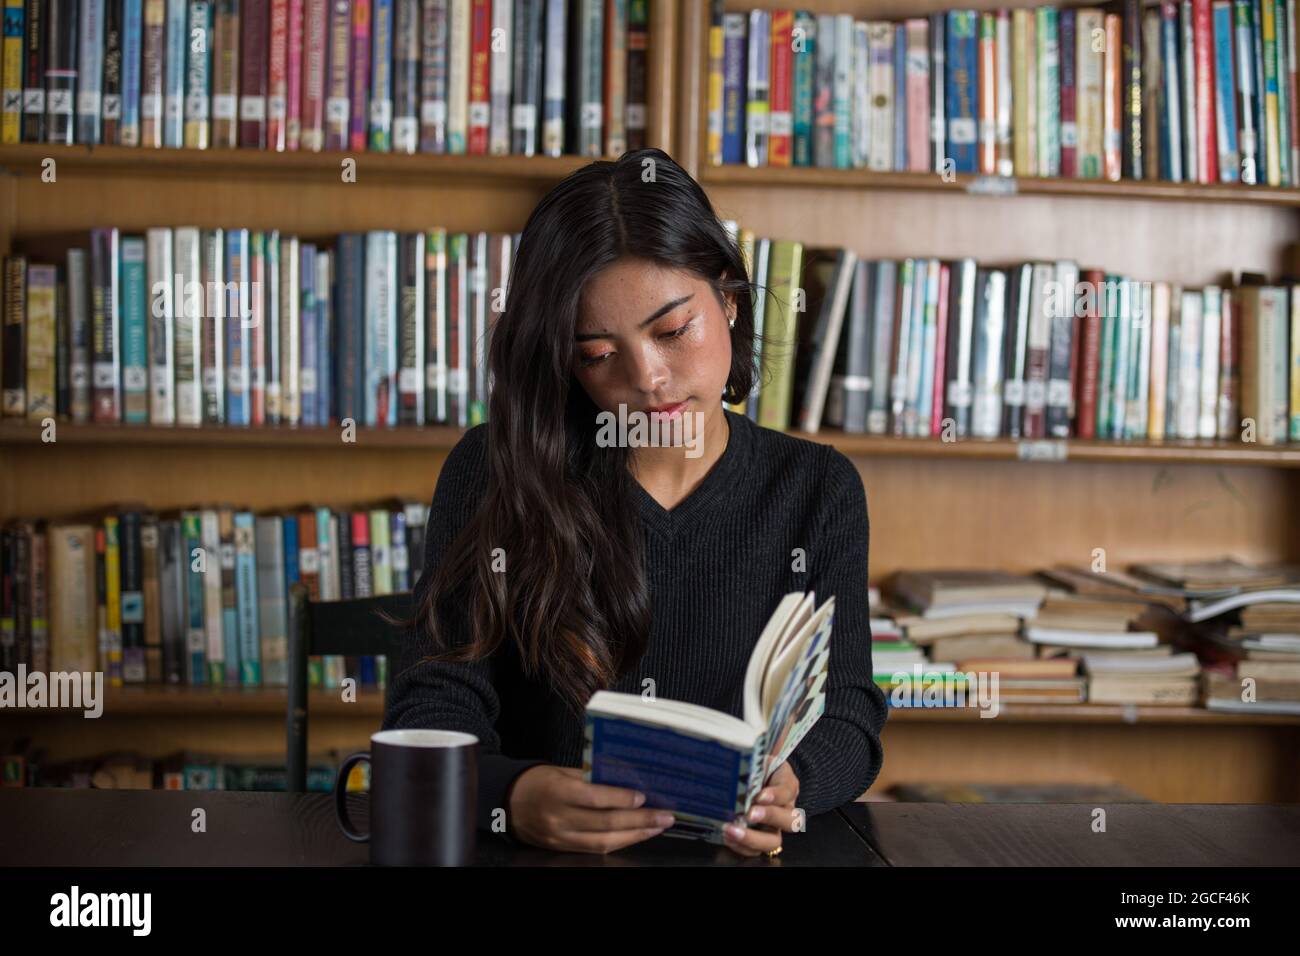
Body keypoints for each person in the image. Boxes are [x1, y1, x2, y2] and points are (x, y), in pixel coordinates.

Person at [384, 147, 886, 857]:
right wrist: (514, 796)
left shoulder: (817, 490)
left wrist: (793, 783)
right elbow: (432, 706)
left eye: (673, 330)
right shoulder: (497, 468)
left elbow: (850, 714)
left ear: (730, 300)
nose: (648, 378)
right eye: (597, 353)